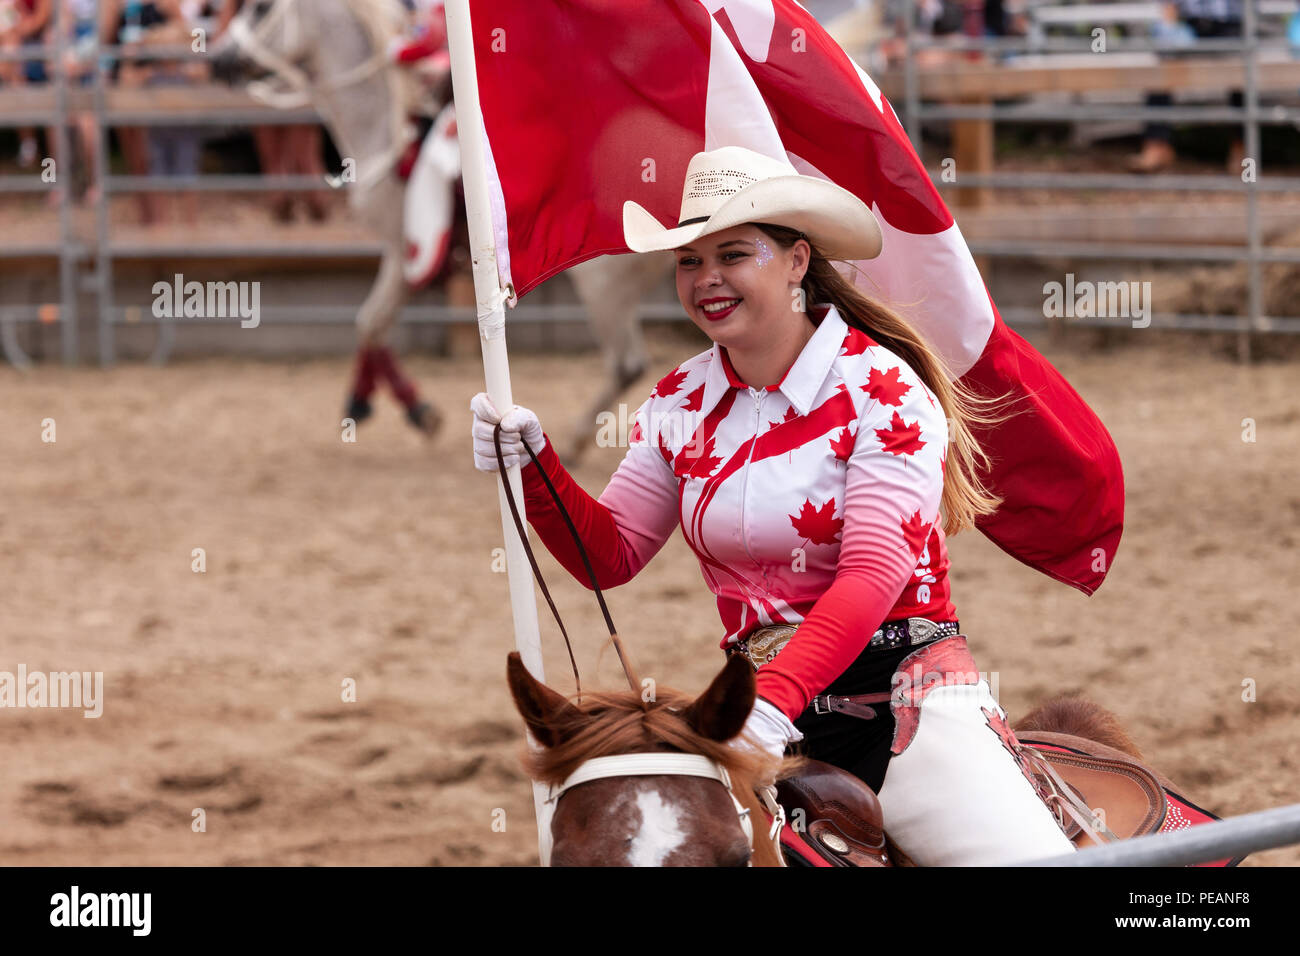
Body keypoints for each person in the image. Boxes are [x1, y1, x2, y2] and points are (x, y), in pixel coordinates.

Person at [469, 146, 1078, 866]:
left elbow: (874, 575)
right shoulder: (679, 399)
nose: (707, 280)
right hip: (745, 709)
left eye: (733, 254)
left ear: (796, 262)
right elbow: (612, 556)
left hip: (903, 706)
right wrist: (535, 468)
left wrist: (772, 703)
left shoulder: (883, 391)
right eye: (690, 261)